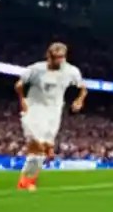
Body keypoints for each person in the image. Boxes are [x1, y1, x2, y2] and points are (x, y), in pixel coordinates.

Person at [14, 42, 85, 191]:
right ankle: (26, 182)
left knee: (44, 149)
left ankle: (28, 180)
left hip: (54, 112)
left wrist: (79, 100)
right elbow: (19, 85)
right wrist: (22, 101)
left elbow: (83, 88)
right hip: (34, 109)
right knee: (37, 145)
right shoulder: (36, 69)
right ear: (49, 56)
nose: (60, 61)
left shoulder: (71, 71)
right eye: (56, 58)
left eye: (62, 57)